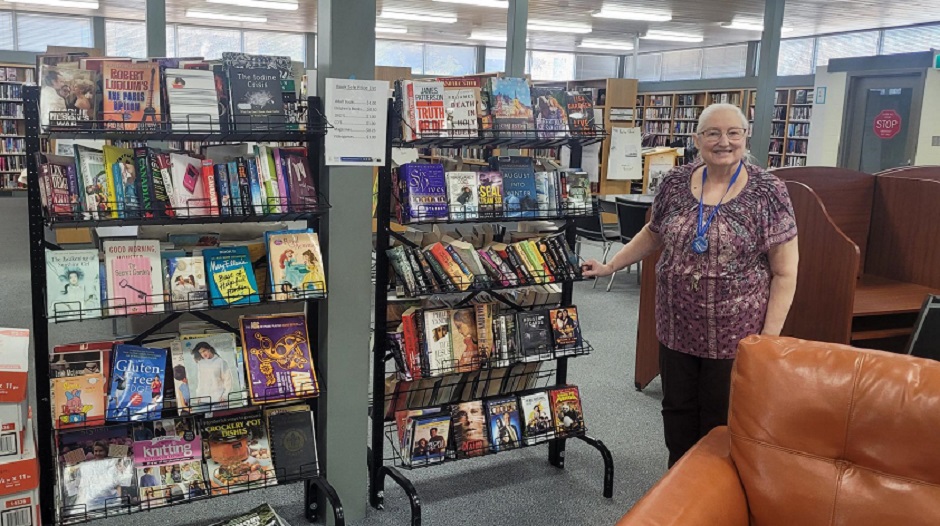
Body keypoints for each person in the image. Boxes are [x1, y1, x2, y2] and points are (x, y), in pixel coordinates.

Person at [583, 103, 799, 467]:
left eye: (733, 132)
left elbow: (785, 272)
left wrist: (769, 338)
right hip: (676, 325)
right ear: (697, 139)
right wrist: (610, 266)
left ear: (746, 137)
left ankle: (717, 497)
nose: (723, 141)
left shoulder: (769, 191)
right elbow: (653, 235)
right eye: (713, 133)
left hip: (736, 333)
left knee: (721, 420)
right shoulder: (675, 182)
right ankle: (679, 484)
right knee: (677, 413)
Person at [191, 341, 234, 409]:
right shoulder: (201, 363)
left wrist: (225, 396)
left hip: (218, 399)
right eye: (201, 353)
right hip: (203, 400)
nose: (203, 354)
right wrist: (198, 395)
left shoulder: (221, 362)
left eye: (204, 351)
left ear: (209, 349)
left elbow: (228, 380)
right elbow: (200, 381)